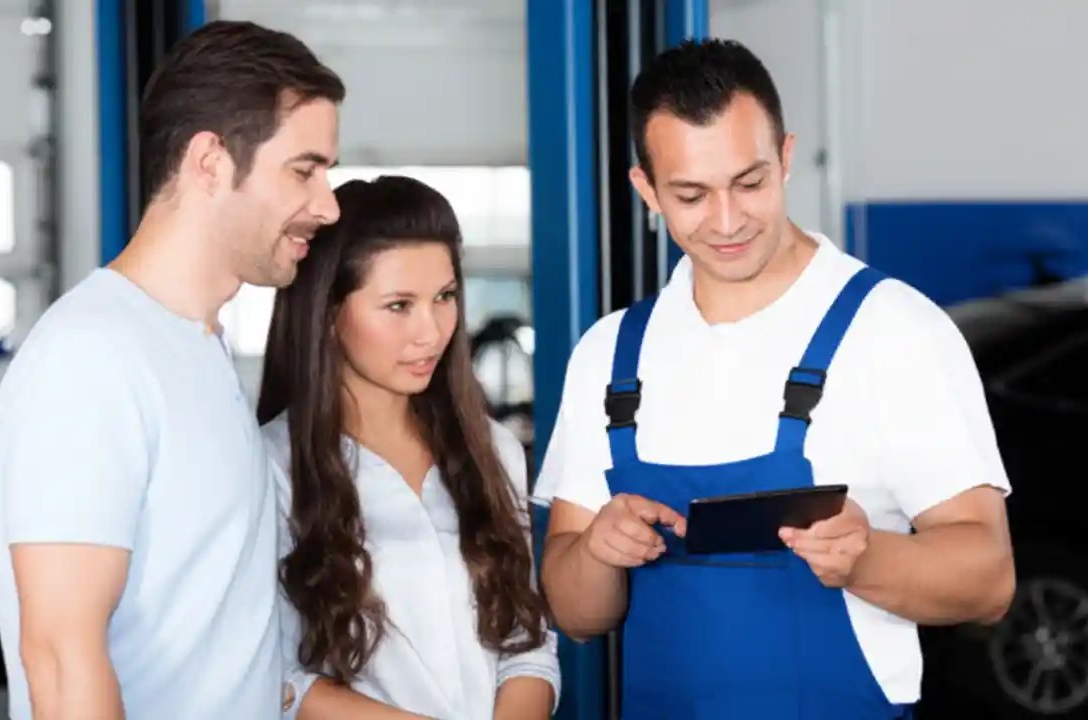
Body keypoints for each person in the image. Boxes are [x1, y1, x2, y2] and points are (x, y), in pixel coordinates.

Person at [533, 38, 1016, 719]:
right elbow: (575, 614)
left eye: (750, 183)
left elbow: (989, 579)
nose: (728, 221)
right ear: (647, 190)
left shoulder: (893, 329)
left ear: (785, 157)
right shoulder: (611, 355)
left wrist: (866, 559)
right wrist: (598, 552)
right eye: (692, 195)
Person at [0, 21, 343, 719]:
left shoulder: (195, 349)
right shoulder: (92, 357)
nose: (328, 205)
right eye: (304, 171)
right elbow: (60, 659)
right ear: (210, 161)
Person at [256, 176, 560, 720]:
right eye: (398, 305)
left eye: (445, 297)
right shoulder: (269, 467)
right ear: (328, 313)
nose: (432, 333)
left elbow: (527, 645)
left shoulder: (493, 451)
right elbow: (278, 679)